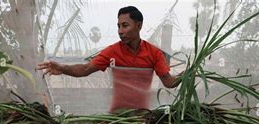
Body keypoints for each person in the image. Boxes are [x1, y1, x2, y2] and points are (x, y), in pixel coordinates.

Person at [36, 6, 182, 113]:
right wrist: (62, 68)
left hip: (143, 116)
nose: (120, 31)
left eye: (125, 25)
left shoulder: (154, 53)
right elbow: (85, 69)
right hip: (116, 116)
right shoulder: (113, 51)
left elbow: (169, 82)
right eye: (118, 26)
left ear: (139, 26)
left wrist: (187, 74)